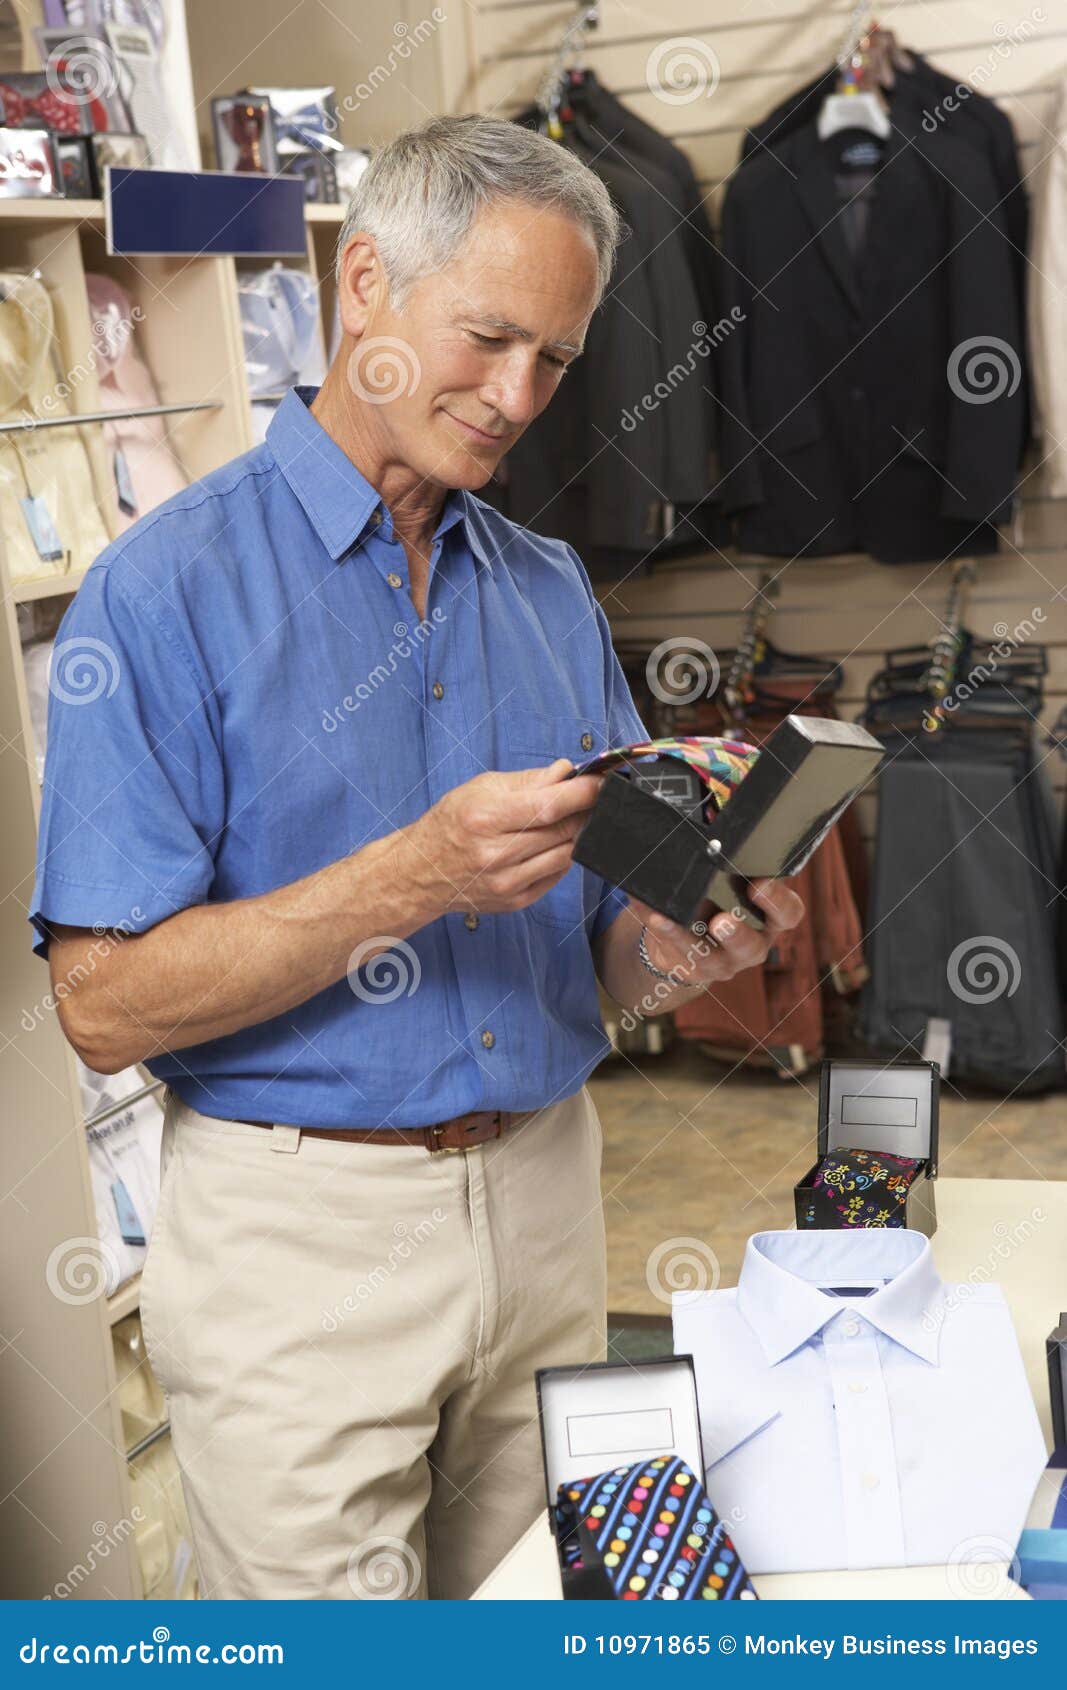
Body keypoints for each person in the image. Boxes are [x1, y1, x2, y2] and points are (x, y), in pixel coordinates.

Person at [30, 116, 803, 1599]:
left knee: (529, 1625)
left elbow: (605, 961)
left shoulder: (550, 587)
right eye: (491, 338)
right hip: (297, 1246)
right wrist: (418, 874)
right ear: (363, 284)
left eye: (558, 362)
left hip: (551, 1205)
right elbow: (104, 1005)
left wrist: (695, 942)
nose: (519, 398)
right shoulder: (161, 592)